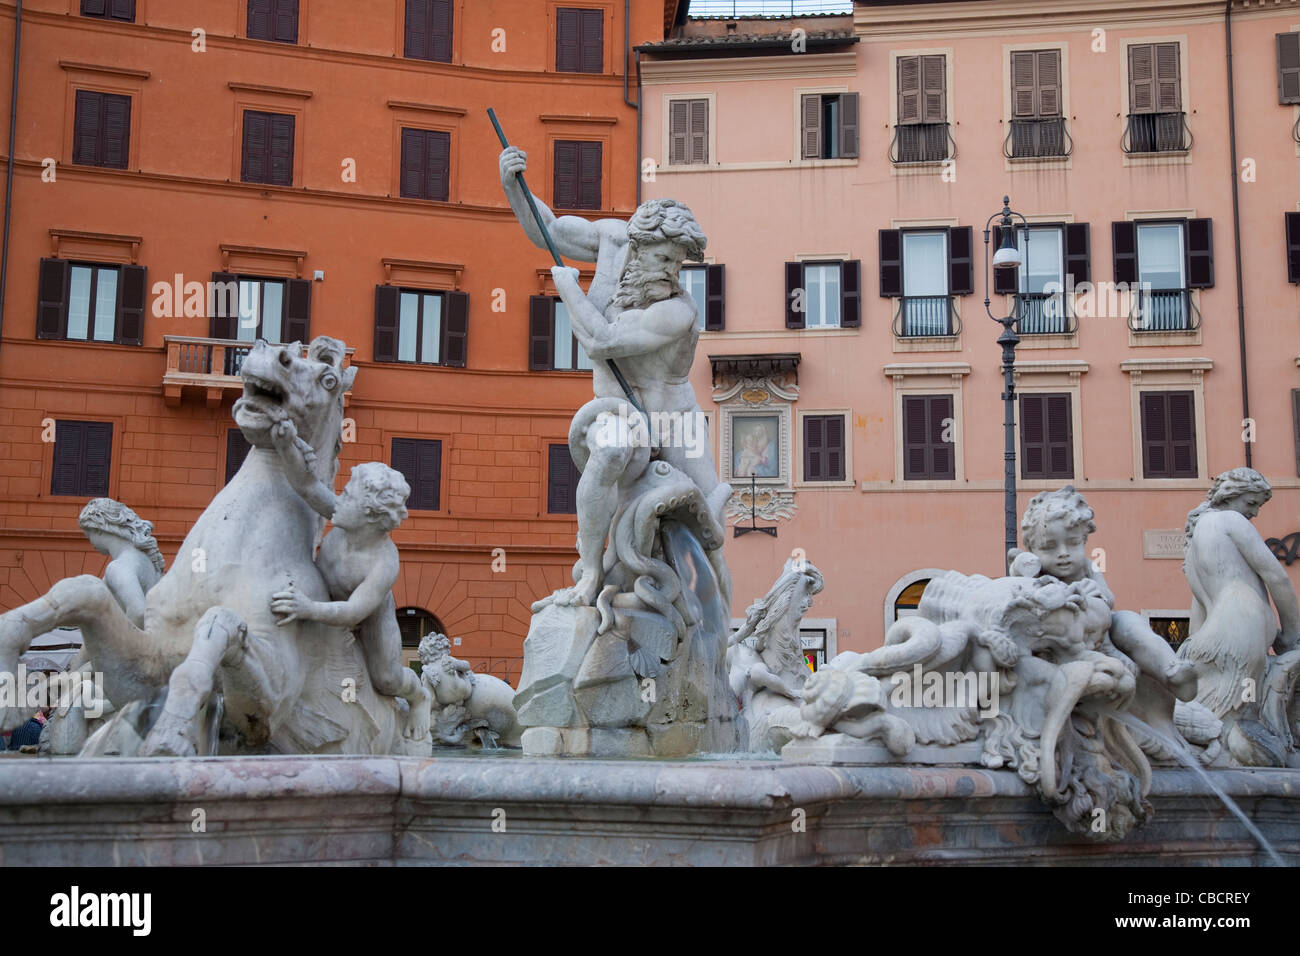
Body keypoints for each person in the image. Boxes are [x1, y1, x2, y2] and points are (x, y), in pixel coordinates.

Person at [501, 148, 731, 609]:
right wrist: (513, 184)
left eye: (679, 263)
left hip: (675, 419)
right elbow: (546, 226)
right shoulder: (611, 240)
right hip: (619, 410)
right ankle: (590, 574)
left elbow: (601, 341)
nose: (672, 271)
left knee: (711, 532)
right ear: (640, 245)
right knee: (607, 455)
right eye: (666, 258)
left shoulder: (678, 310)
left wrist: (567, 288)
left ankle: (722, 630)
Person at [266, 431, 431, 741]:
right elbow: (308, 486)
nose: (338, 499)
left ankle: (419, 696)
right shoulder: (344, 519)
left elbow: (354, 611)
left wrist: (308, 608)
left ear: (370, 515)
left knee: (386, 677)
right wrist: (287, 446)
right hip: (326, 598)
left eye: (348, 496)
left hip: (369, 617)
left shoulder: (383, 562)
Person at [1013, 486, 1197, 702]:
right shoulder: (1036, 575)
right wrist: (1023, 566)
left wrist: (1097, 593)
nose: (1063, 554)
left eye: (1072, 543)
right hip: (1062, 645)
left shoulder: (1089, 569)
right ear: (1033, 551)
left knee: (1130, 621)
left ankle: (1171, 669)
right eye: (1049, 547)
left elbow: (1109, 598)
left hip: (1104, 633)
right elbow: (1018, 581)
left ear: (1084, 540)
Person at [1179, 468, 1300, 721]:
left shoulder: (1195, 538)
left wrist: (1194, 648)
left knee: (1215, 721)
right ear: (1229, 495)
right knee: (1239, 724)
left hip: (1213, 640)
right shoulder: (1230, 521)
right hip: (1240, 640)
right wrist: (1291, 634)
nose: (1254, 513)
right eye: (1252, 503)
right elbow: (1277, 577)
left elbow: (1199, 605)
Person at [78, 498, 165, 628]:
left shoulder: (119, 567)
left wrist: (119, 645)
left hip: (134, 646)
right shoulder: (148, 560)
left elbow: (138, 612)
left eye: (88, 535)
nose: (90, 542)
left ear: (98, 529)